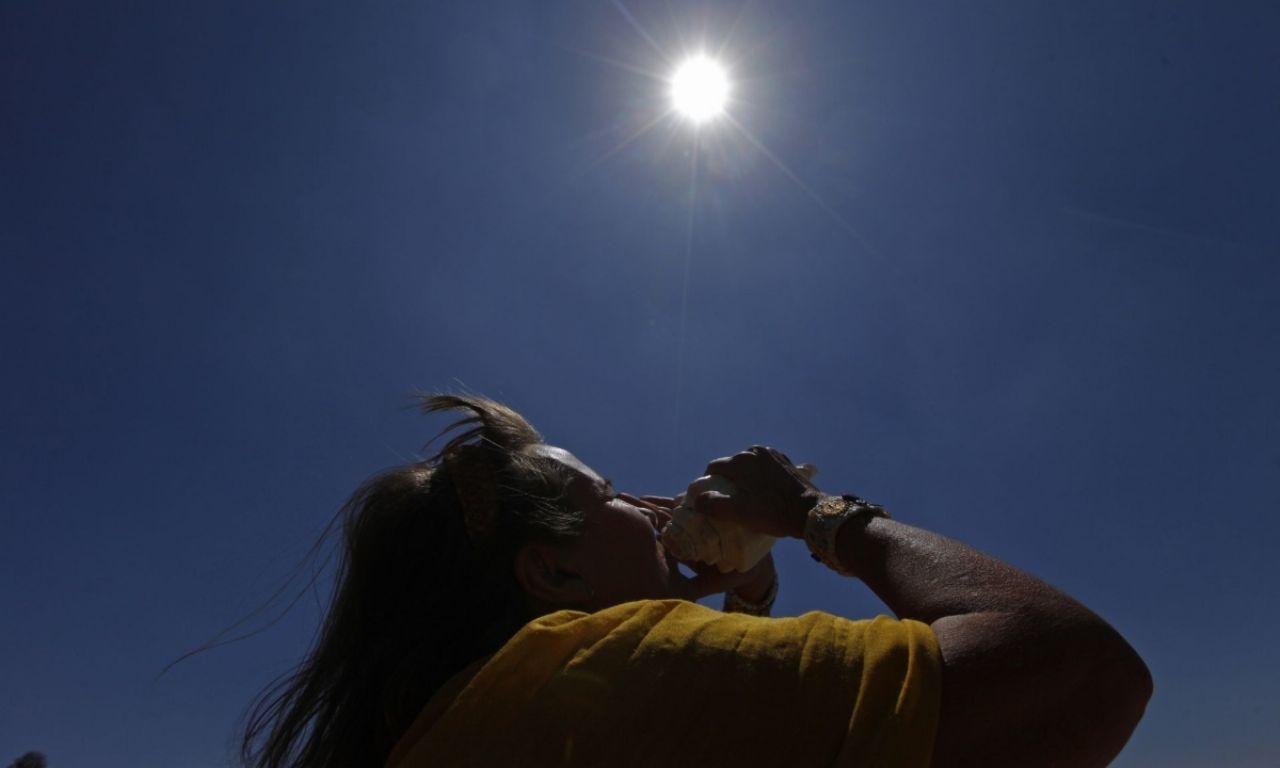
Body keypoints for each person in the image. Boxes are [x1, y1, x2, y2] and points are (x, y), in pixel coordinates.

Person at [241, 394, 1152, 768]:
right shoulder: (606, 667)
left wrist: (737, 587)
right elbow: (1081, 674)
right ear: (550, 569)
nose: (643, 505)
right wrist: (813, 514)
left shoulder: (474, 717)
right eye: (607, 497)